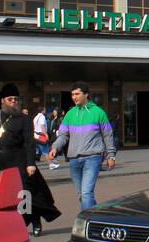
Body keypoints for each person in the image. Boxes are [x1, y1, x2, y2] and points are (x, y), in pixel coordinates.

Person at [0, 83, 60, 235]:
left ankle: (33, 220)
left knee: (24, 194)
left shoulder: (24, 119)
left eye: (16, 99)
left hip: (17, 160)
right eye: (10, 99)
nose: (13, 101)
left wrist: (30, 163)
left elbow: (29, 143)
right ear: (3, 101)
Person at [50, 82, 116, 211]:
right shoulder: (69, 114)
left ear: (86, 95)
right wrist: (55, 147)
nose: (74, 97)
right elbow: (63, 135)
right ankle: (96, 216)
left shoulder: (99, 113)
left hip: (92, 158)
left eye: (77, 94)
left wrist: (111, 156)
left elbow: (108, 135)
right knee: (82, 195)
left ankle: (87, 224)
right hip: (74, 159)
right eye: (72, 94)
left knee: (86, 194)